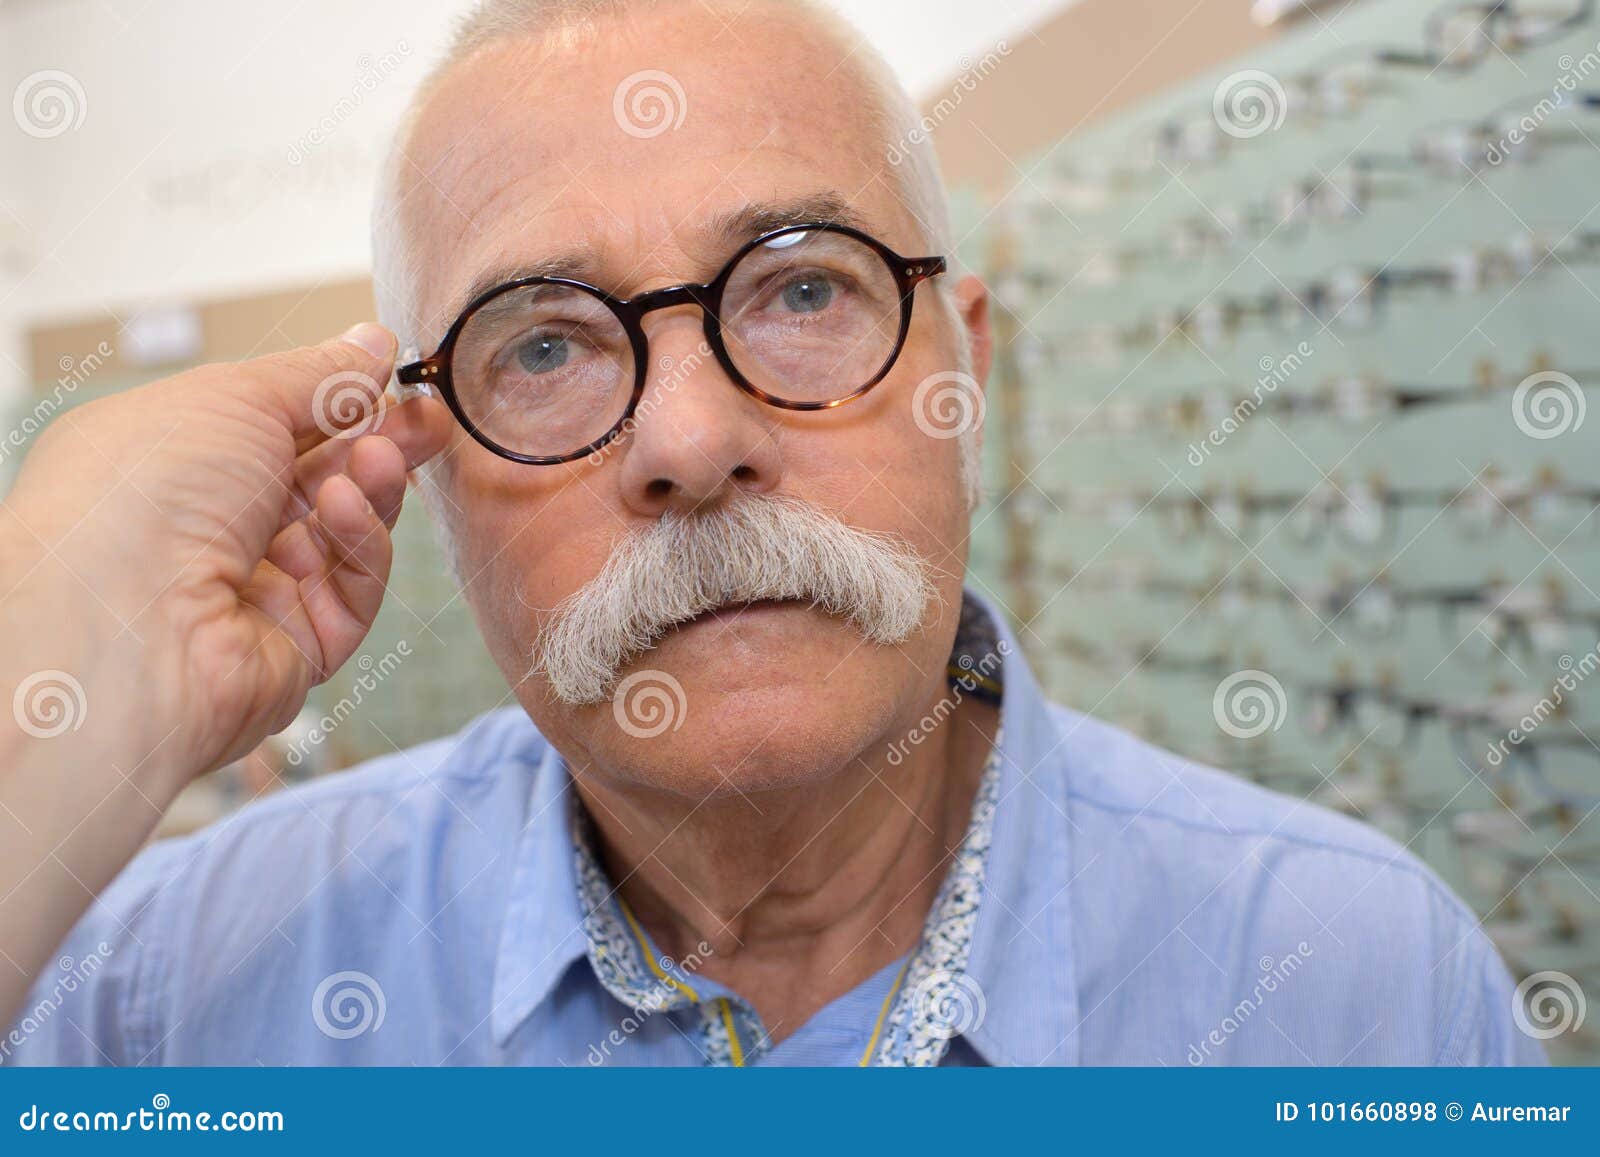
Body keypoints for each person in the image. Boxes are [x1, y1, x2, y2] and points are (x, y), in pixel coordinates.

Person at [0, 0, 1543, 1066]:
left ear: (969, 371)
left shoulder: (1363, 986)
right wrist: (52, 707)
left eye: (804, 289)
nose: (690, 439)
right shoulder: (168, 995)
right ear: (427, 457)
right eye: (543, 344)